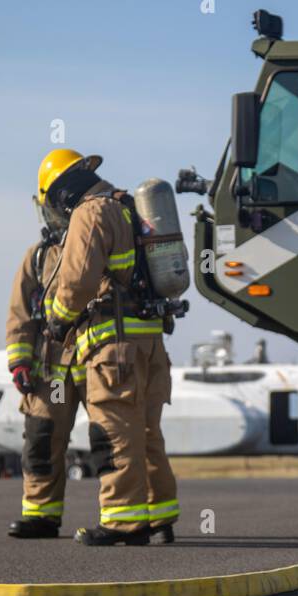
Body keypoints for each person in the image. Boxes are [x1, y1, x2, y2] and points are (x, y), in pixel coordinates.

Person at [39, 148, 179, 546]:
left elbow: (78, 279)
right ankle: (160, 516)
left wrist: (58, 320)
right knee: (147, 431)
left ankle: (123, 522)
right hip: (150, 345)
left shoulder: (91, 213)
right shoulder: (130, 206)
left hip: (112, 349)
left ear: (62, 194)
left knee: (113, 432)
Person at [5, 165, 88, 538]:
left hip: (93, 357)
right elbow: (20, 315)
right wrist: (20, 361)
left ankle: (126, 516)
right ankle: (41, 515)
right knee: (41, 437)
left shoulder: (94, 243)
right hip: (50, 367)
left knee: (113, 437)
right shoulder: (37, 257)